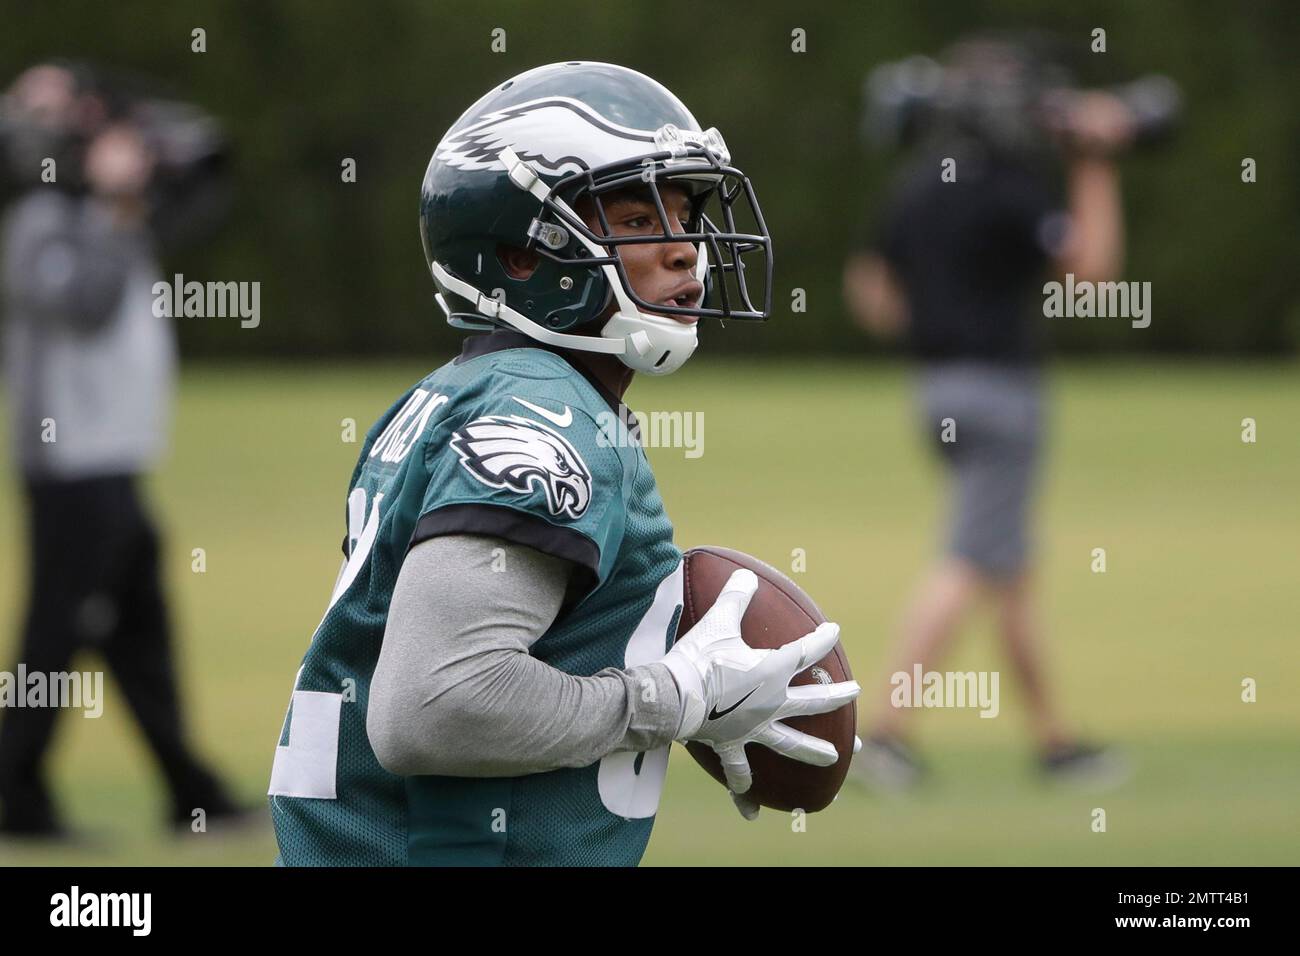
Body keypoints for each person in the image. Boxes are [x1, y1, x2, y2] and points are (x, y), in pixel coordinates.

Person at [268, 61, 860, 866]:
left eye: (684, 215)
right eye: (638, 218)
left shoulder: (473, 393)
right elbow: (431, 707)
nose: (686, 251)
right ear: (522, 256)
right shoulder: (538, 415)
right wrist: (677, 696)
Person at [844, 38, 1131, 790]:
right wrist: (1094, 159)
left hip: (934, 393)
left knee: (1009, 571)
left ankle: (1056, 744)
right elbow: (1094, 271)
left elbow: (872, 296)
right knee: (971, 560)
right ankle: (884, 733)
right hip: (1004, 395)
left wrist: (941, 308)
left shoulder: (917, 186)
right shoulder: (1012, 186)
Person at [0, 62, 246, 839]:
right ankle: (16, 800)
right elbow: (85, 305)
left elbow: (203, 186)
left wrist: (137, 182)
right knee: (55, 635)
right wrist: (114, 202)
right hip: (70, 467)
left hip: (113, 466)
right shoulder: (43, 221)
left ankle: (191, 794)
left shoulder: (104, 216)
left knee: (139, 633)